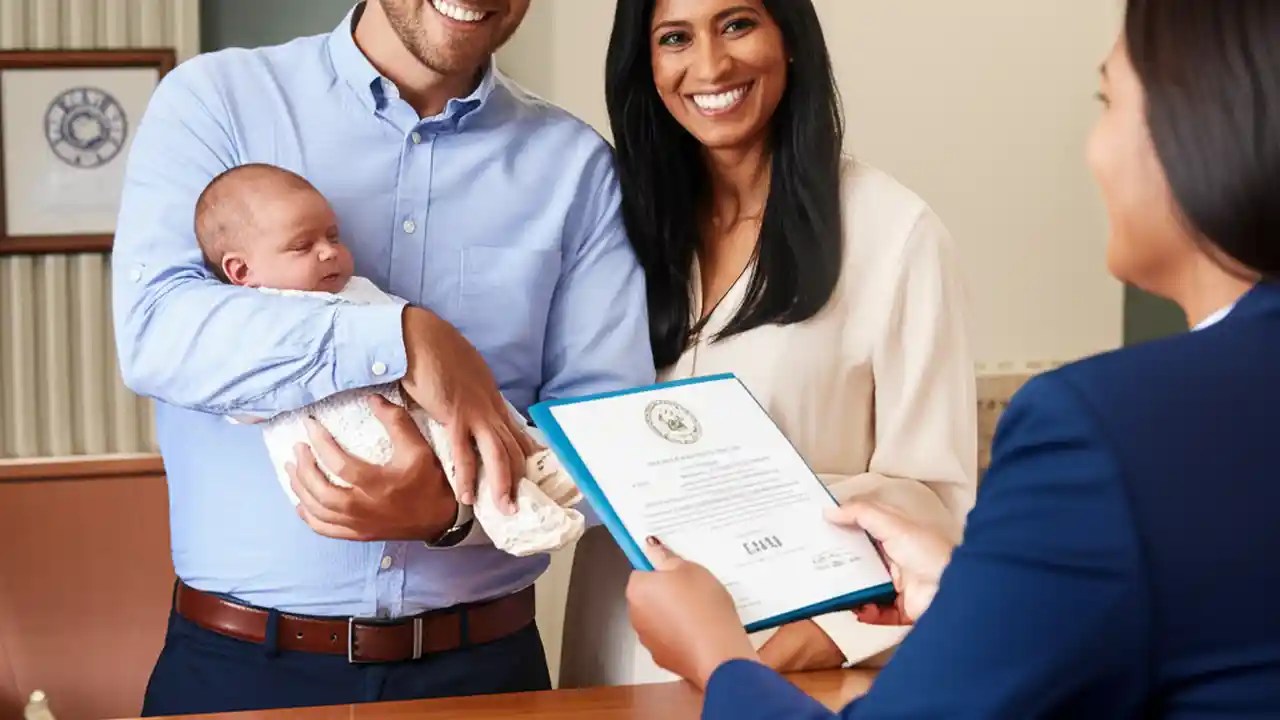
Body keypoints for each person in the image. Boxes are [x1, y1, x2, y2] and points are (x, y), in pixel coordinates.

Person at [627, 0, 1280, 716]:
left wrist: (720, 656)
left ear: (1202, 134)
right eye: (675, 38)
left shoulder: (1099, 431)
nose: (1090, 147)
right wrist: (966, 588)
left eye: (1108, 102)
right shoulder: (619, 220)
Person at [110, 0, 653, 714]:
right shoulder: (216, 103)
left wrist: (450, 516)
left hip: (487, 674)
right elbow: (157, 332)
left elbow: (601, 428)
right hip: (238, 674)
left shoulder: (575, 167)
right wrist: (401, 339)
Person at [558, 0, 977, 688]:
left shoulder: (895, 235)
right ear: (646, 64)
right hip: (616, 655)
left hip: (795, 667)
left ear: (790, 39)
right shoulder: (614, 229)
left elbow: (935, 496)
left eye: (738, 24)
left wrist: (790, 650)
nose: (711, 65)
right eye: (674, 38)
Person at [192, 162, 587, 558]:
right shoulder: (248, 320)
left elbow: (408, 337)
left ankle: (530, 462)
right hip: (347, 449)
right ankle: (515, 517)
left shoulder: (355, 289)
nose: (329, 251)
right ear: (241, 270)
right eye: (302, 246)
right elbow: (243, 397)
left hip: (412, 413)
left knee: (472, 404)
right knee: (450, 438)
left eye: (333, 236)